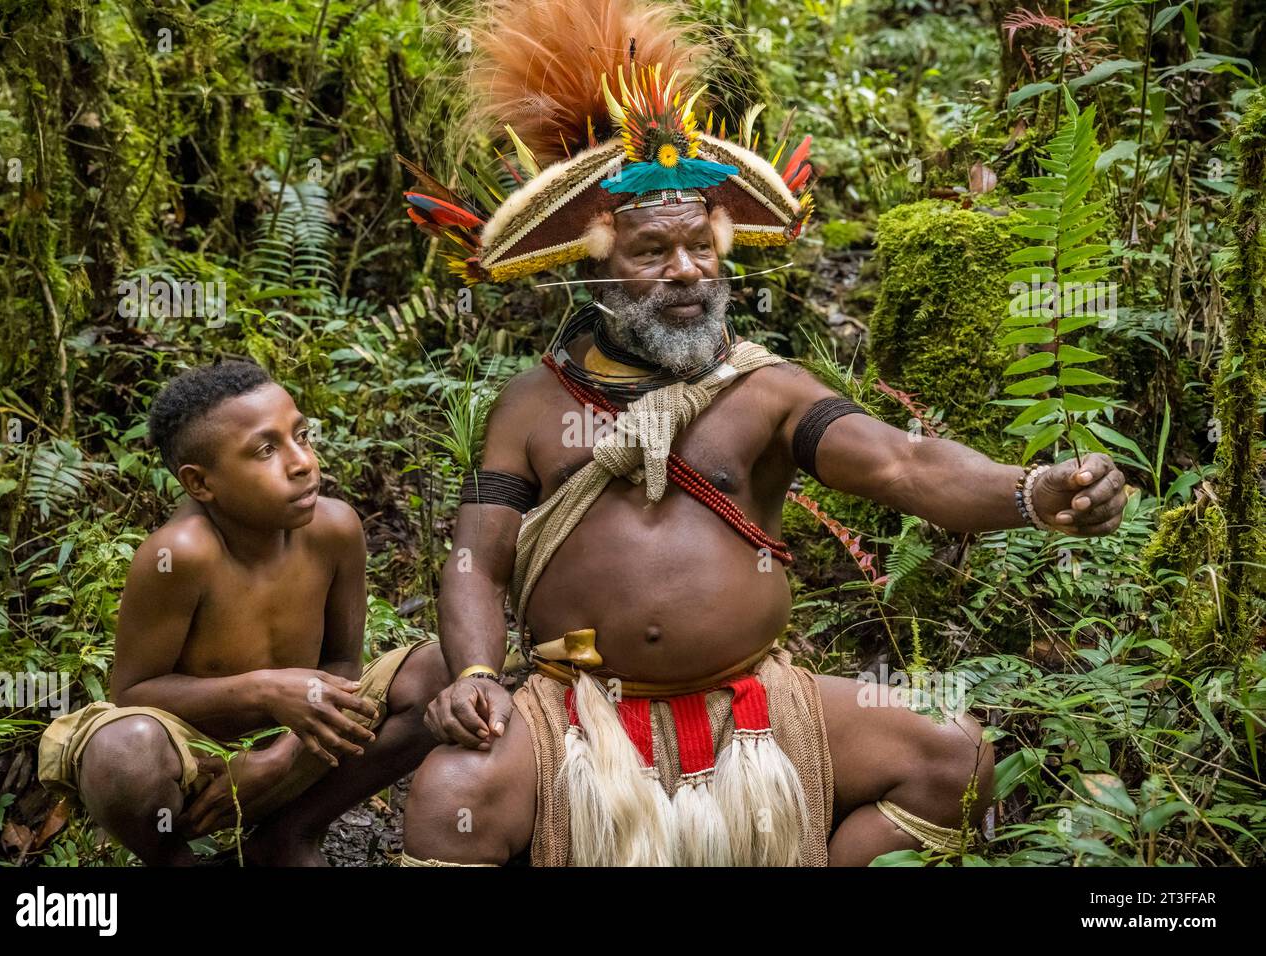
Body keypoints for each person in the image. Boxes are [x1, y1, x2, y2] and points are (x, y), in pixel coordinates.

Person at [397, 0, 1129, 867]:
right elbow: (477, 560)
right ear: (592, 266)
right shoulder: (530, 405)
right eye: (652, 253)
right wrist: (479, 673)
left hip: (756, 706)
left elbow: (904, 462)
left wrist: (1028, 491)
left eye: (702, 248)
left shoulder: (767, 392)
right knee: (451, 797)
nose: (686, 273)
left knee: (953, 756)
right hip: (579, 714)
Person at [37, 360, 447, 865]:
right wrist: (265, 689)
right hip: (202, 767)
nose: (302, 462)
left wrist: (281, 757)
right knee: (121, 752)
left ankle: (290, 834)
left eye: (301, 436)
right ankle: (179, 861)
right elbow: (131, 694)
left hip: (299, 749)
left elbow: (343, 663)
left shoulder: (335, 530)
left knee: (440, 670)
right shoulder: (180, 555)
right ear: (200, 483)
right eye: (266, 450)